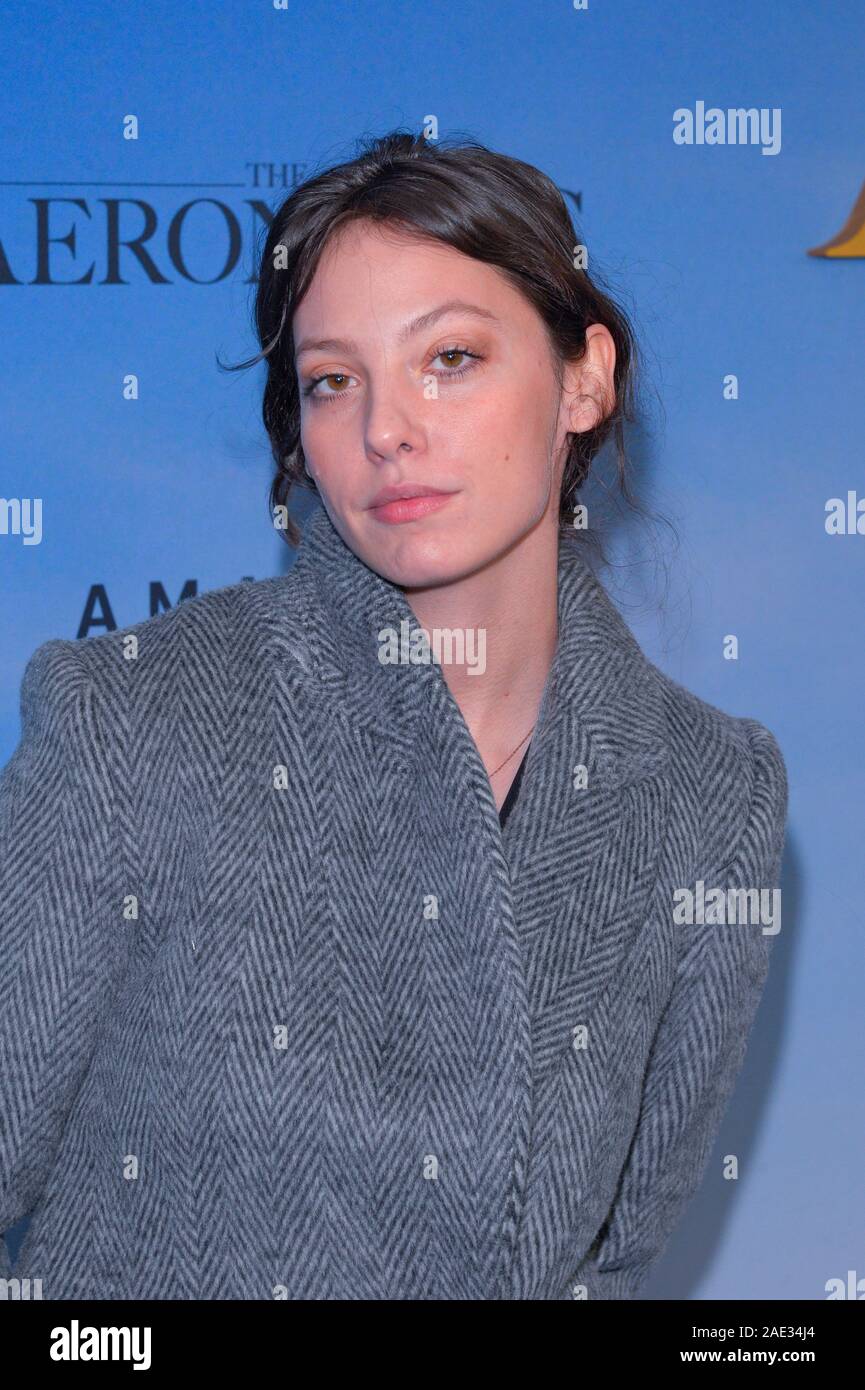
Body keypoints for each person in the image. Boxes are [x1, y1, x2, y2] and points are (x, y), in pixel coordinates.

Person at [0, 130, 788, 1300]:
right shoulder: (135, 718)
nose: (385, 429)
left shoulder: (712, 790)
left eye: (451, 358)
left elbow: (615, 1265)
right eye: (332, 379)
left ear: (585, 377)